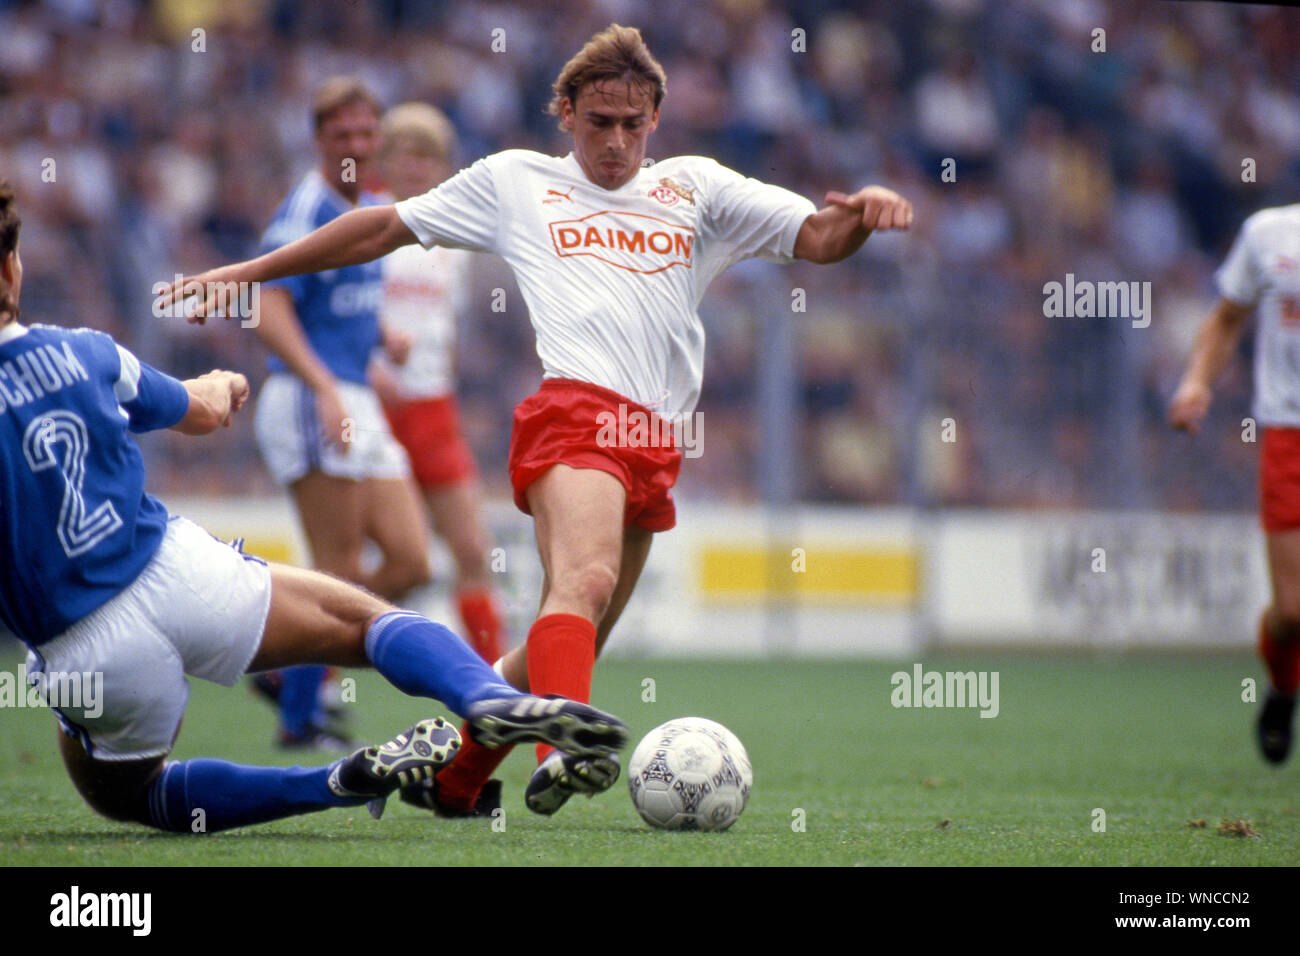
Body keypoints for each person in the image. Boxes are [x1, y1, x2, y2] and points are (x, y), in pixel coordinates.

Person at [169, 24, 913, 817]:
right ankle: (563, 750)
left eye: (632, 124)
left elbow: (818, 236)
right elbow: (382, 226)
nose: (616, 141)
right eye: (599, 122)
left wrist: (861, 216)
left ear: (656, 118)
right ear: (565, 113)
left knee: (572, 630)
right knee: (582, 582)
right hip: (573, 415)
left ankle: (453, 781)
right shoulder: (517, 181)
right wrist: (251, 271)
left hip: (653, 440)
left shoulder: (697, 186)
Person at [0, 180, 626, 834]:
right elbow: (201, 410)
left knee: (130, 795)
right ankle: (487, 696)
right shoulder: (87, 352)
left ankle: (332, 780)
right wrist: (221, 383)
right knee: (364, 619)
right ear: (13, 267)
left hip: (85, 646)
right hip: (178, 571)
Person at [250, 77, 435, 749]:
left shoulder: (374, 205)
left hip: (354, 394)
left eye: (365, 132)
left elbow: (339, 298)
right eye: (341, 135)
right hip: (310, 398)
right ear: (318, 140)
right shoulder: (307, 211)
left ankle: (292, 663)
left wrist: (382, 337)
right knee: (337, 569)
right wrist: (324, 385)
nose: (355, 145)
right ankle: (299, 717)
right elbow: (265, 305)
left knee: (411, 563)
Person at [370, 102, 505, 664]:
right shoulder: (362, 222)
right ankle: (308, 675)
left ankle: (496, 684)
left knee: (472, 551)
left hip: (433, 409)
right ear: (383, 161)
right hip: (370, 409)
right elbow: (335, 313)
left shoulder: (454, 237)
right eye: (405, 154)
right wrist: (369, 365)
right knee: (384, 562)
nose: (416, 166)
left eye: (428, 156)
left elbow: (447, 328)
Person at [1169, 201, 1300, 765]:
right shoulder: (1270, 234)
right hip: (1289, 433)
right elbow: (1227, 317)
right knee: (1292, 613)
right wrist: (1196, 381)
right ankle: (1283, 689)